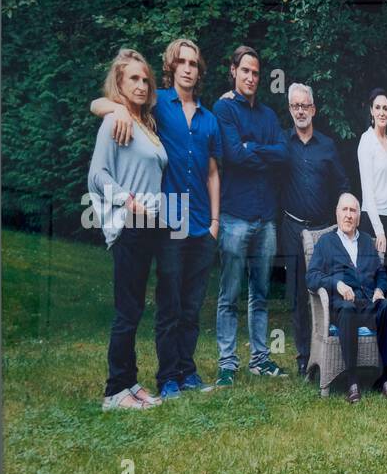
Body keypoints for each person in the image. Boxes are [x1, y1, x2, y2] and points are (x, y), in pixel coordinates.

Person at [91, 38, 221, 398]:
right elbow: (100, 102)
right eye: (182, 62)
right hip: (165, 216)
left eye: (194, 63)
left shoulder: (200, 118)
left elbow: (212, 169)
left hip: (187, 220)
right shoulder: (158, 104)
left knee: (191, 303)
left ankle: (184, 371)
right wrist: (112, 109)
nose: (188, 68)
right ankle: (164, 378)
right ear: (172, 68)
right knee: (169, 301)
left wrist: (214, 222)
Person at [87, 48, 170, 411]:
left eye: (144, 79)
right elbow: (97, 175)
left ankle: (131, 382)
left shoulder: (145, 125)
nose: (140, 84)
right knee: (127, 310)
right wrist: (126, 200)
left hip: (151, 226)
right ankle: (114, 390)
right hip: (130, 225)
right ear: (119, 83)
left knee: (136, 308)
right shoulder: (115, 122)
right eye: (133, 78)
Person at [212, 45, 289, 385]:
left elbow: (283, 155)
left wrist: (251, 148)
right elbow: (233, 155)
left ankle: (260, 359)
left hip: (265, 217)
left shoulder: (269, 117)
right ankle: (227, 364)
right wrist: (258, 153)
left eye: (256, 73)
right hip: (234, 215)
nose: (251, 77)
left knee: (260, 294)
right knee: (229, 294)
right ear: (233, 71)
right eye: (245, 71)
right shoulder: (223, 109)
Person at [280, 82, 349, 377]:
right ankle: (303, 355)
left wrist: (338, 224)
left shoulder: (328, 146)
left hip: (322, 231)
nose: (300, 111)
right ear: (290, 110)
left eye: (304, 106)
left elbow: (343, 185)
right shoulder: (282, 144)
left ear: (314, 110)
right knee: (298, 293)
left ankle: (330, 352)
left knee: (325, 290)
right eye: (295, 106)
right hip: (292, 228)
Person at [305, 193, 387, 402]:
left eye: (353, 211)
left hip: (368, 303)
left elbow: (381, 273)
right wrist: (336, 284)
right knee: (347, 310)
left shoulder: (366, 241)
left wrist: (380, 290)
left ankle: (385, 375)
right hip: (342, 305)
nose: (348, 215)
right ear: (337, 213)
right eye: (345, 210)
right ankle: (352, 380)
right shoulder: (326, 243)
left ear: (358, 216)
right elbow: (311, 277)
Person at [356, 87, 387, 262]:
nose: (382, 112)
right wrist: (379, 231)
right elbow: (367, 191)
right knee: (374, 278)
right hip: (373, 221)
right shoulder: (366, 141)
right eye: (378, 107)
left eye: (385, 108)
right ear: (371, 112)